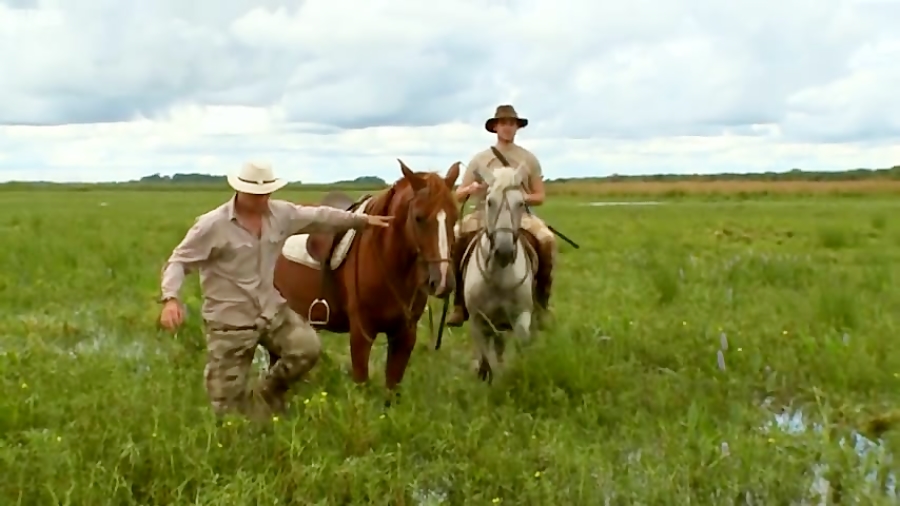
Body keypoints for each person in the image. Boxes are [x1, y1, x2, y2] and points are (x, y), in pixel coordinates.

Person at [158, 161, 393, 420]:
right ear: (239, 190)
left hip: (271, 310)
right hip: (230, 320)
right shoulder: (212, 225)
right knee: (226, 409)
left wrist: (362, 220)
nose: (262, 200)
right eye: (255, 194)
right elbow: (178, 261)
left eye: (266, 193)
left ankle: (267, 394)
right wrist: (171, 298)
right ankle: (237, 420)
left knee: (307, 348)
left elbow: (320, 217)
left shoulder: (281, 214)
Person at [447, 104, 557, 327]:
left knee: (547, 240)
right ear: (495, 127)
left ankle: (542, 303)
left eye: (512, 124)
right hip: (484, 213)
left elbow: (540, 196)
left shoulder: (528, 160)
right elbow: (458, 195)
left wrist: (517, 198)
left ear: (517, 128)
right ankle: (459, 303)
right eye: (503, 123)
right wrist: (470, 190)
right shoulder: (480, 160)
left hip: (520, 215)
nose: (508, 128)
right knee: (456, 237)